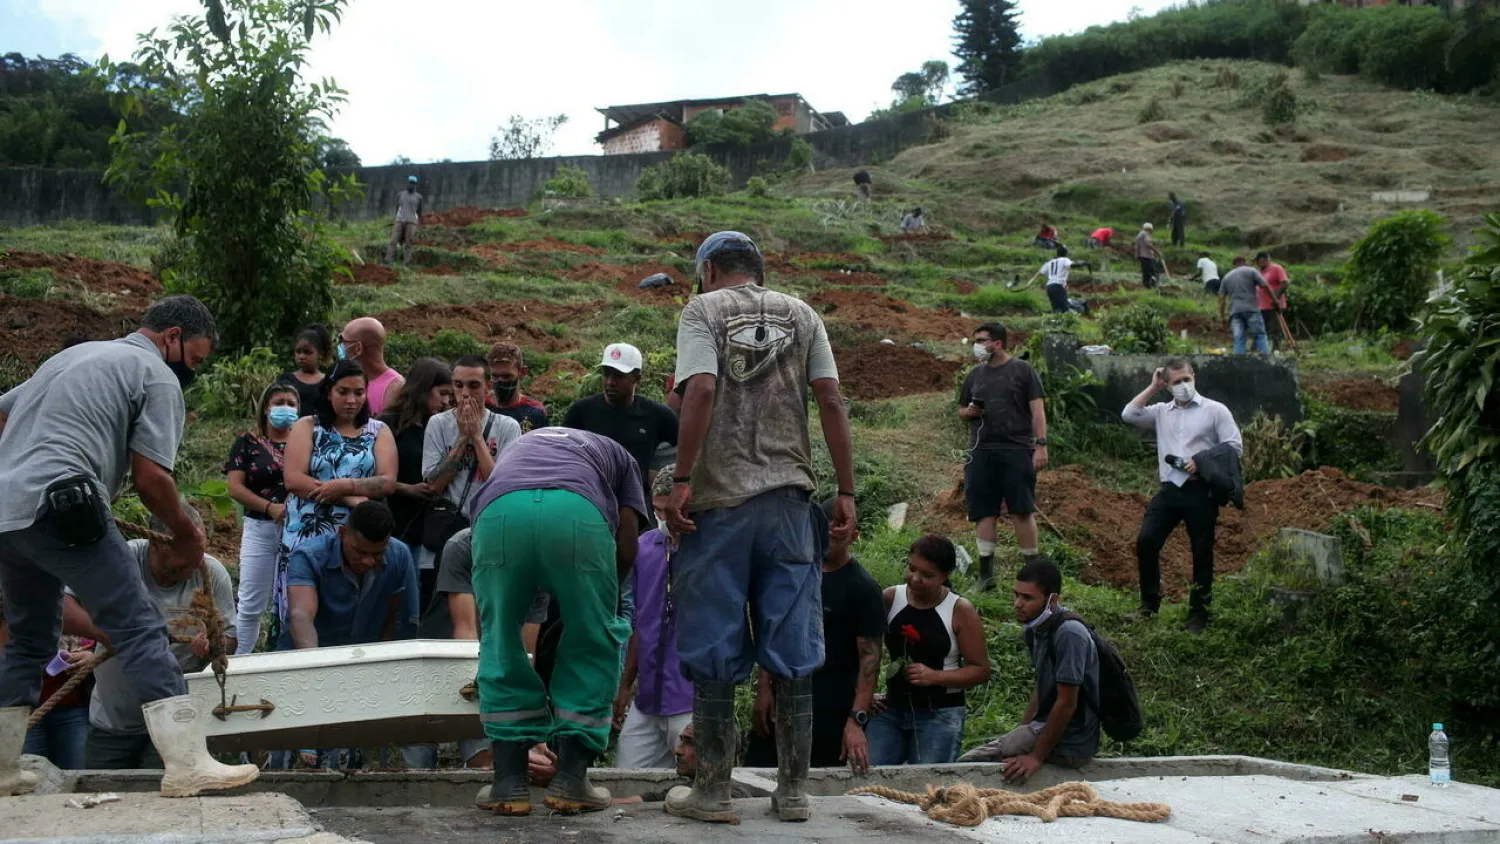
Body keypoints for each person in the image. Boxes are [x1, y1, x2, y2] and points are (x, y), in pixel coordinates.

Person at [0, 294, 259, 799]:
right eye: (196, 360)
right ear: (172, 339)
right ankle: (187, 764)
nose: (193, 373)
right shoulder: (156, 374)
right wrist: (187, 530)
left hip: (8, 513)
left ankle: (2, 770)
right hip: (64, 504)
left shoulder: (72, 357)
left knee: (30, 639)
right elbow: (151, 479)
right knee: (139, 625)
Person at [664, 230, 857, 825]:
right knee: (794, 646)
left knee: (715, 643)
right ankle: (794, 792)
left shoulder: (703, 309)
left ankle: (714, 793)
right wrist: (845, 489)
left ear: (712, 268)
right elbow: (830, 398)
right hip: (790, 503)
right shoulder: (803, 314)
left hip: (719, 504)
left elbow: (699, 389)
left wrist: (681, 477)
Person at [466, 428, 647, 816]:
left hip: (499, 514)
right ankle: (571, 781)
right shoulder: (621, 456)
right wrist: (599, 611)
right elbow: (628, 543)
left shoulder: (520, 447)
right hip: (576, 514)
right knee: (591, 642)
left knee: (501, 643)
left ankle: (508, 783)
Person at [61, 505, 235, 769]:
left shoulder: (211, 573)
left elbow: (230, 639)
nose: (194, 564)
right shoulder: (122, 562)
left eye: (198, 552)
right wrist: (109, 637)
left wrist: (214, 645)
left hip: (176, 723)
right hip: (113, 721)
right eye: (183, 556)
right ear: (156, 544)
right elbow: (62, 607)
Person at [744, 497, 885, 774]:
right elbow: (774, 632)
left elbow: (870, 661)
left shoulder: (862, 589)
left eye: (839, 525)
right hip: (781, 697)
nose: (831, 530)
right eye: (825, 523)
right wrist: (763, 687)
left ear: (853, 535)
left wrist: (856, 720)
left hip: (829, 708)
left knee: (815, 783)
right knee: (756, 777)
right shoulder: (792, 575)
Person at [272, 359, 397, 650]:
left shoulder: (378, 431)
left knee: (347, 606)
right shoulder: (308, 426)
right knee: (302, 608)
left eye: (358, 392)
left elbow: (387, 481)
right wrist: (347, 496)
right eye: (343, 391)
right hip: (305, 530)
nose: (351, 400)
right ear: (329, 391)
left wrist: (346, 486)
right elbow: (293, 479)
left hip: (355, 536)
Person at [1123, 359, 1243, 633]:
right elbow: (1128, 414)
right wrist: (1153, 387)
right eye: (1176, 382)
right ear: (1167, 385)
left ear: (1194, 377)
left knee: (1202, 551)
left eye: (1186, 379)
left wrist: (1201, 460)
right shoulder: (1161, 412)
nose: (1183, 386)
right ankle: (1149, 604)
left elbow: (1234, 447)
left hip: (1201, 489)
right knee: (1146, 540)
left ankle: (1198, 614)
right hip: (1170, 488)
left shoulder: (1215, 410)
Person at [958, 557, 1100, 780]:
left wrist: (1035, 756)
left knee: (971, 766)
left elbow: (1067, 703)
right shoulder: (1034, 628)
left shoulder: (1070, 634)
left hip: (1073, 739)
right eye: (1016, 595)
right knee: (968, 761)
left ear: (1052, 601)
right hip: (1044, 726)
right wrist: (1022, 731)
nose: (1017, 604)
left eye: (1027, 597)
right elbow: (1041, 687)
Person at [866, 535, 991, 765]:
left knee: (926, 787)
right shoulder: (891, 598)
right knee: (870, 781)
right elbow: (865, 650)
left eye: (927, 575)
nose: (915, 579)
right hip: (891, 709)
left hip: (940, 714)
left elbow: (981, 670)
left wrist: (935, 677)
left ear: (945, 576)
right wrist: (865, 695)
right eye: (912, 569)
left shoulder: (959, 610)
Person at [959, 322, 1048, 591]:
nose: (977, 345)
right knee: (983, 511)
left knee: (1022, 510)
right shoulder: (974, 375)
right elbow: (961, 410)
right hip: (980, 452)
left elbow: (1038, 410)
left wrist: (1041, 445)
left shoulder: (1023, 371)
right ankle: (986, 576)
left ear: (997, 343)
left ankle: (1031, 571)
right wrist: (971, 412)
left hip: (1017, 449)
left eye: (982, 340)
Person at [613, 466, 693, 769]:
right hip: (647, 698)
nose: (664, 519)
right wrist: (625, 684)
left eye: (669, 510)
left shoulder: (709, 549)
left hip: (689, 698)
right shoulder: (644, 547)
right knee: (625, 778)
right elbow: (640, 623)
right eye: (658, 510)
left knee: (692, 784)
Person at [224, 382, 300, 654]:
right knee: (250, 604)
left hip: (298, 531)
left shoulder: (306, 442)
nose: (286, 408)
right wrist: (270, 507)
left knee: (296, 602)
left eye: (292, 404)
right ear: (266, 408)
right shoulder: (247, 442)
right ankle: (241, 662)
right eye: (280, 402)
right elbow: (235, 486)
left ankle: (291, 658)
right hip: (259, 528)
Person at [423, 355, 522, 556]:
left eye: (474, 386)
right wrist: (461, 439)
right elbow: (433, 485)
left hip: (491, 529)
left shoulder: (507, 427)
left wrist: (476, 436)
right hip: (448, 528)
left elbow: (500, 485)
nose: (465, 394)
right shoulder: (438, 424)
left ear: (488, 387)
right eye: (458, 385)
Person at [285, 501, 419, 650]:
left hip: (367, 657)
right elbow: (301, 615)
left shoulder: (399, 555)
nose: (368, 561)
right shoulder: (308, 557)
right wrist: (314, 663)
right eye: (360, 552)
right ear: (342, 533)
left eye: (378, 554)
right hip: (314, 653)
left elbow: (394, 619)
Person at [378, 358, 454, 605]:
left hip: (429, 526)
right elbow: (371, 473)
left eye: (449, 396)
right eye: (442, 393)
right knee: (395, 595)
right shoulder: (388, 424)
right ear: (423, 388)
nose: (446, 402)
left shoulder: (441, 427)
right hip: (395, 521)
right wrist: (404, 489)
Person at [562, 343, 678, 502]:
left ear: (637, 378)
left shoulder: (657, 415)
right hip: (591, 500)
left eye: (618, 376)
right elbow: (563, 456)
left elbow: (685, 450)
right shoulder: (581, 412)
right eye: (607, 374)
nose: (610, 382)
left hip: (637, 506)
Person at [2, 587, 93, 772]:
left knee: (78, 771)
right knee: (27, 773)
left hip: (71, 705)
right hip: (21, 710)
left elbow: (101, 643)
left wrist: (89, 656)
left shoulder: (77, 603)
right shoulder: (15, 609)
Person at [338, 317, 403, 417]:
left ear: (358, 348)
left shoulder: (394, 388)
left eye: (343, 341)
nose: (340, 346)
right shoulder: (344, 379)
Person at [486, 342, 550, 432]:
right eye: (495, 376)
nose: (500, 381)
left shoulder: (534, 412)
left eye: (507, 376)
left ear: (522, 372)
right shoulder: (481, 405)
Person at [1218, 257, 1275, 356]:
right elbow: (1265, 285)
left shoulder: (1227, 277)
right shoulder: (1251, 271)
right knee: (1259, 335)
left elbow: (1221, 299)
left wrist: (1222, 317)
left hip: (1235, 312)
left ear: (1234, 264)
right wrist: (1275, 300)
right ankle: (1265, 359)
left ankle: (1239, 362)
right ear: (1245, 262)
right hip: (1251, 309)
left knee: (1239, 338)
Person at [278, 324, 333, 414]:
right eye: (298, 352)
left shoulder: (328, 382)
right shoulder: (286, 380)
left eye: (307, 352)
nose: (301, 356)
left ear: (320, 354)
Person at [1032, 247, 1090, 315]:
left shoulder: (1050, 262)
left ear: (1057, 253)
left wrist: (1031, 281)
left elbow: (1040, 272)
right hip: (1058, 286)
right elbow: (1072, 265)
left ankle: (1053, 316)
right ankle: (1081, 308)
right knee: (1065, 308)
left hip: (1049, 287)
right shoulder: (1064, 260)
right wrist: (1084, 263)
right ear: (1066, 254)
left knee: (1056, 307)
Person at [1254, 252, 1291, 350]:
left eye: (1260, 261)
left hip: (1274, 305)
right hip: (1261, 306)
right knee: (1260, 329)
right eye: (1257, 261)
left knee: (1276, 329)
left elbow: (1285, 283)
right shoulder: (1258, 272)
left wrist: (1276, 298)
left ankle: (1276, 349)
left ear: (1266, 260)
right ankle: (1257, 349)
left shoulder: (1276, 268)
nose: (1259, 263)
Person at [385, 175, 423, 266]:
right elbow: (397, 207)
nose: (411, 185)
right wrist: (397, 218)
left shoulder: (419, 197)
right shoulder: (400, 194)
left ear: (415, 185)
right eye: (410, 183)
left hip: (411, 222)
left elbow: (419, 211)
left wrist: (417, 222)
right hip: (399, 220)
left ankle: (407, 262)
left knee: (408, 242)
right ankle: (388, 260)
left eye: (413, 183)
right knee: (393, 240)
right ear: (407, 183)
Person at [1133, 223, 1164, 289]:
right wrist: (1157, 252)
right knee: (1154, 272)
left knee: (1146, 273)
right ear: (1150, 229)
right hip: (1148, 257)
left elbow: (1137, 247)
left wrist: (1137, 256)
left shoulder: (1139, 235)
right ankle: (1155, 286)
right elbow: (1148, 244)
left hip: (1142, 257)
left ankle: (1147, 286)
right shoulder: (1145, 234)